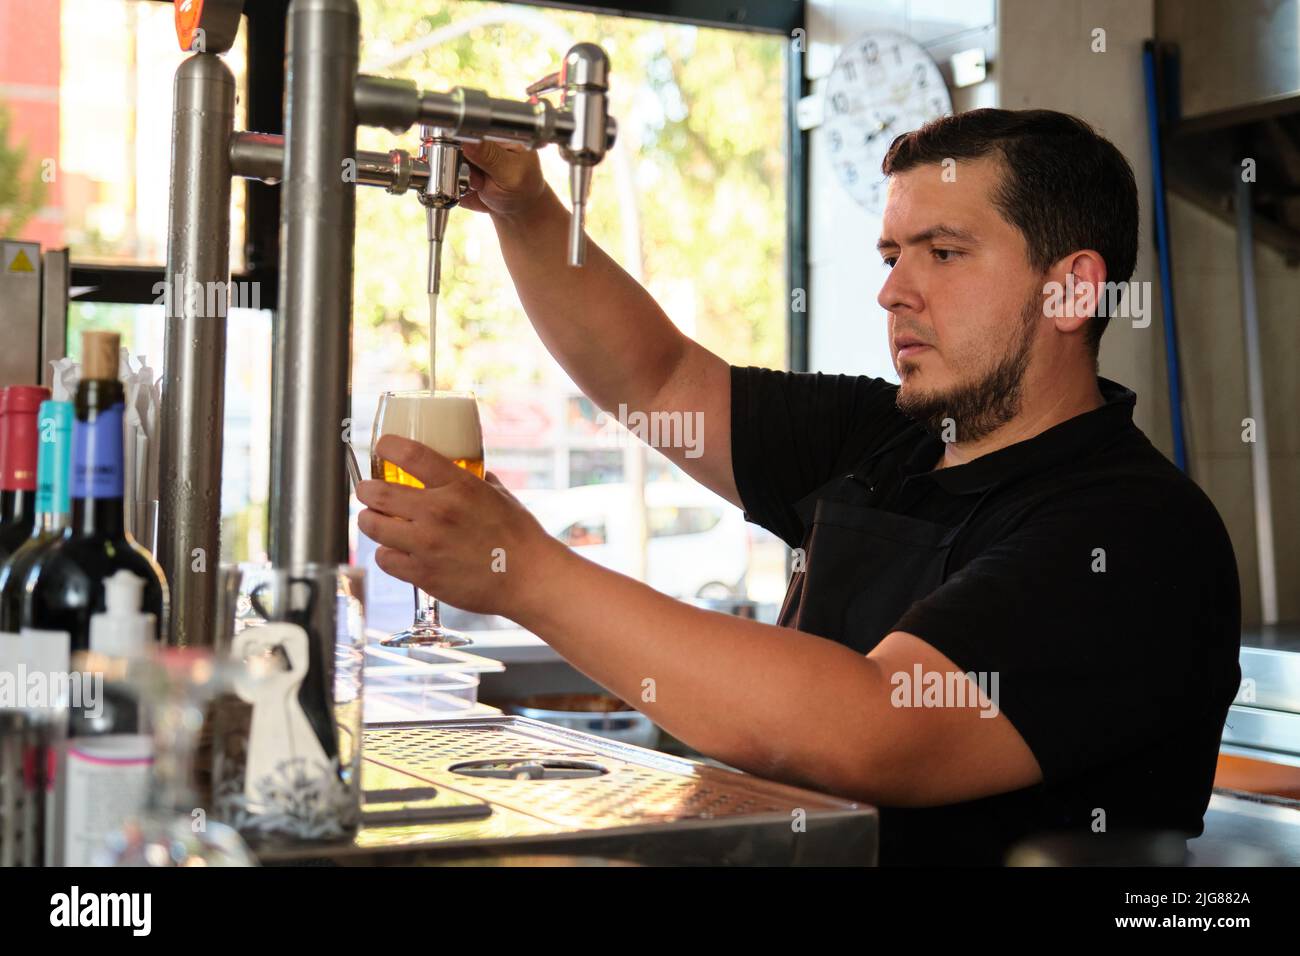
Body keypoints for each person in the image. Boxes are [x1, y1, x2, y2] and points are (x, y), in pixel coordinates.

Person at [356, 108, 1242, 866]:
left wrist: (523, 575)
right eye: (893, 254)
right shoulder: (889, 436)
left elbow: (873, 727)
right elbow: (658, 381)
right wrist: (526, 208)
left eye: (943, 252)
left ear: (1071, 291)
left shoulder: (1134, 533)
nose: (894, 291)